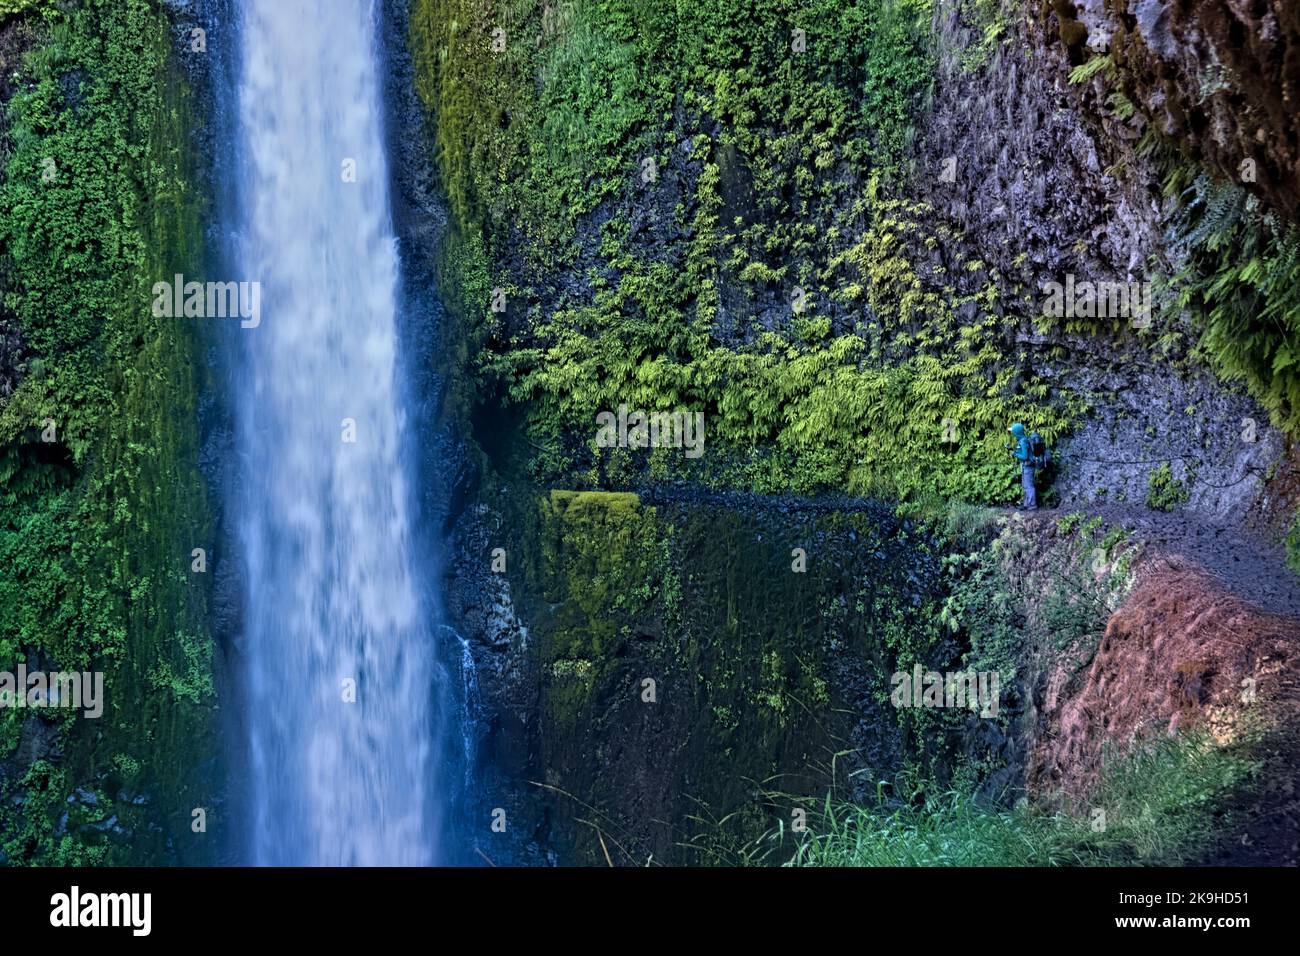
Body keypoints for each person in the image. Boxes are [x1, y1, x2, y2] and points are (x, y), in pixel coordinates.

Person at [1008, 422, 1037, 510]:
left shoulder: (1023, 441)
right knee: (1025, 485)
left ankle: (1032, 505)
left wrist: (1015, 454)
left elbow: (1024, 457)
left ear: (1017, 433)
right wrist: (1012, 450)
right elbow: (1021, 452)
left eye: (1013, 432)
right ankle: (1026, 504)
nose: (1013, 434)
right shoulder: (1023, 440)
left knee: (1028, 486)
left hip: (1028, 467)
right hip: (1026, 467)